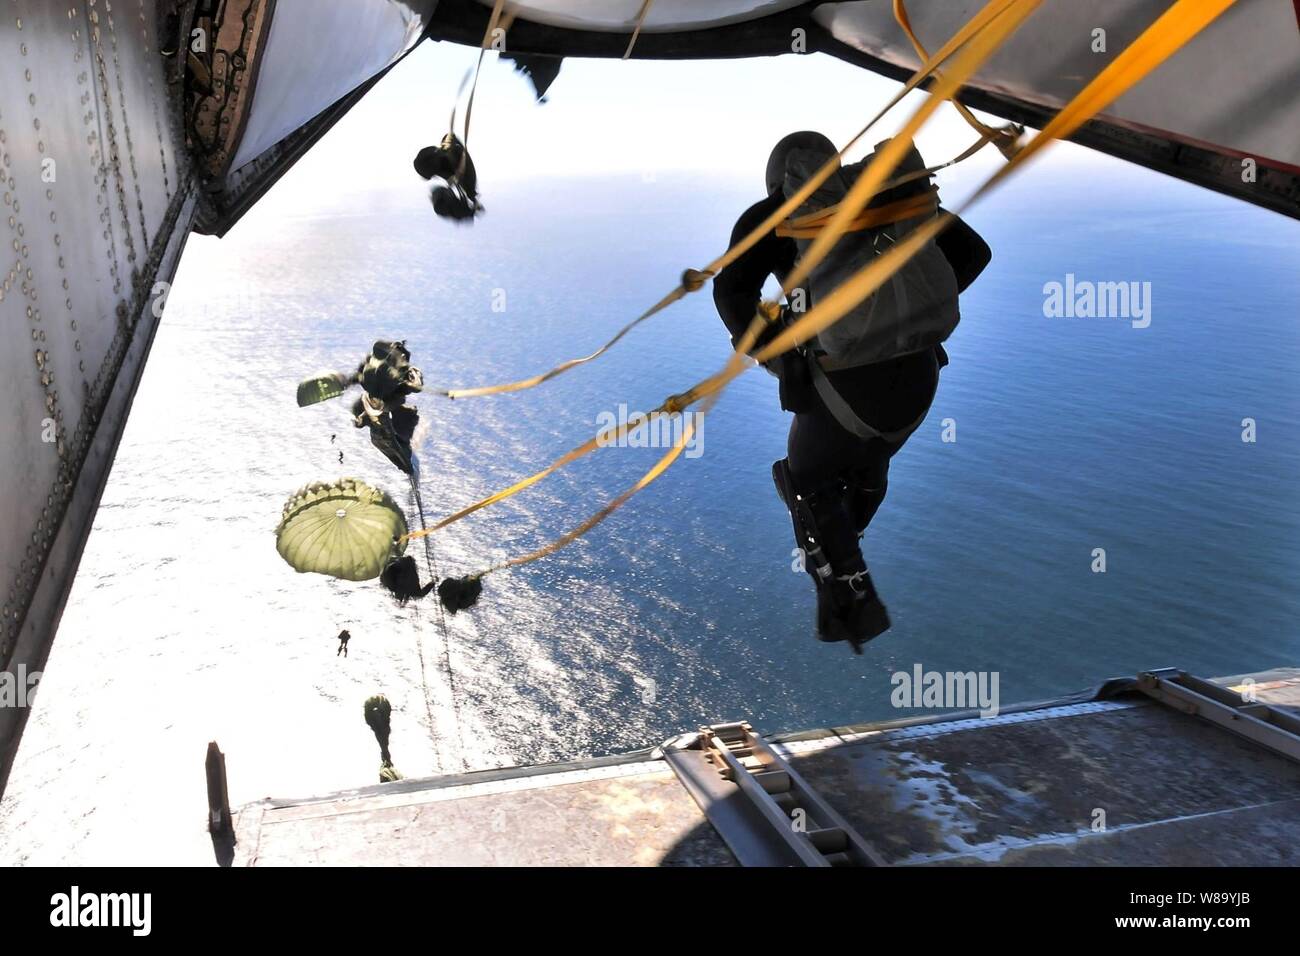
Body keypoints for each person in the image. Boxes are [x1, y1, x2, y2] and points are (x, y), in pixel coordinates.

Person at [713, 131, 990, 652]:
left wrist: (781, 350)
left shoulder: (776, 214)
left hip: (849, 390)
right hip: (919, 382)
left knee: (805, 478)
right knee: (867, 461)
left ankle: (849, 604)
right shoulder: (891, 201)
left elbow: (731, 293)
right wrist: (906, 315)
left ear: (782, 180)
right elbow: (974, 254)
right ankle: (851, 542)